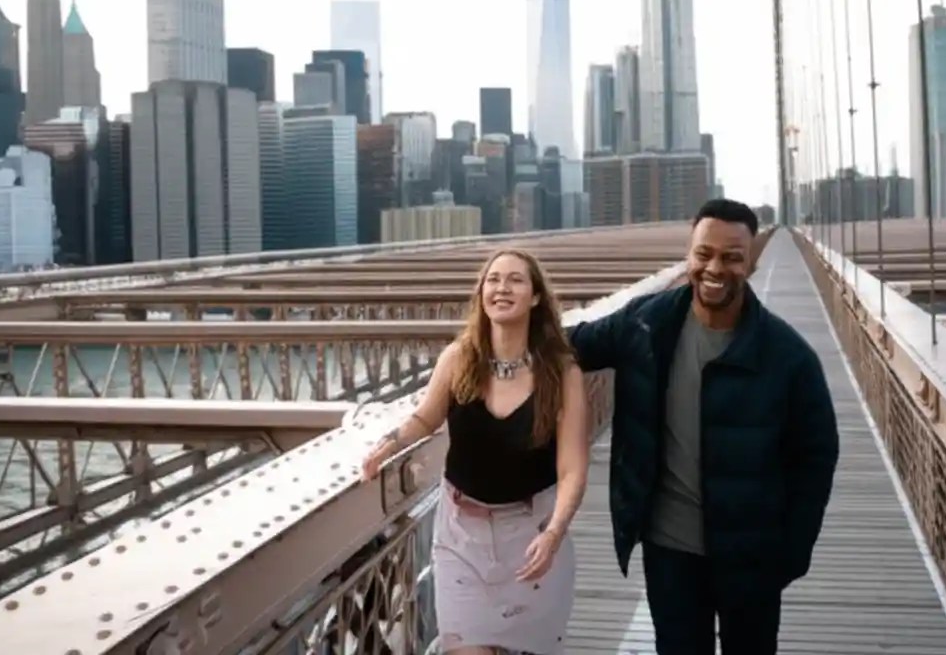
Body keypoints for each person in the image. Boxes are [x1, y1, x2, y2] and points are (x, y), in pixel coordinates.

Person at [567, 198, 840, 654]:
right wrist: (482, 346)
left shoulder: (789, 356)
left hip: (752, 554)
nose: (715, 268)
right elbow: (568, 346)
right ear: (688, 255)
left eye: (732, 257)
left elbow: (817, 456)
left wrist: (792, 552)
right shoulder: (645, 323)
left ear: (752, 262)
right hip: (669, 547)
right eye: (704, 254)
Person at [360, 248, 591, 655]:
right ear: (481, 293)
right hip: (460, 537)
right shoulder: (458, 359)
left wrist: (555, 532)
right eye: (493, 279)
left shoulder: (561, 372)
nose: (502, 288)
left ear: (536, 297)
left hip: (533, 534)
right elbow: (426, 418)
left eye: (516, 280)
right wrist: (390, 444)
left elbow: (572, 467)